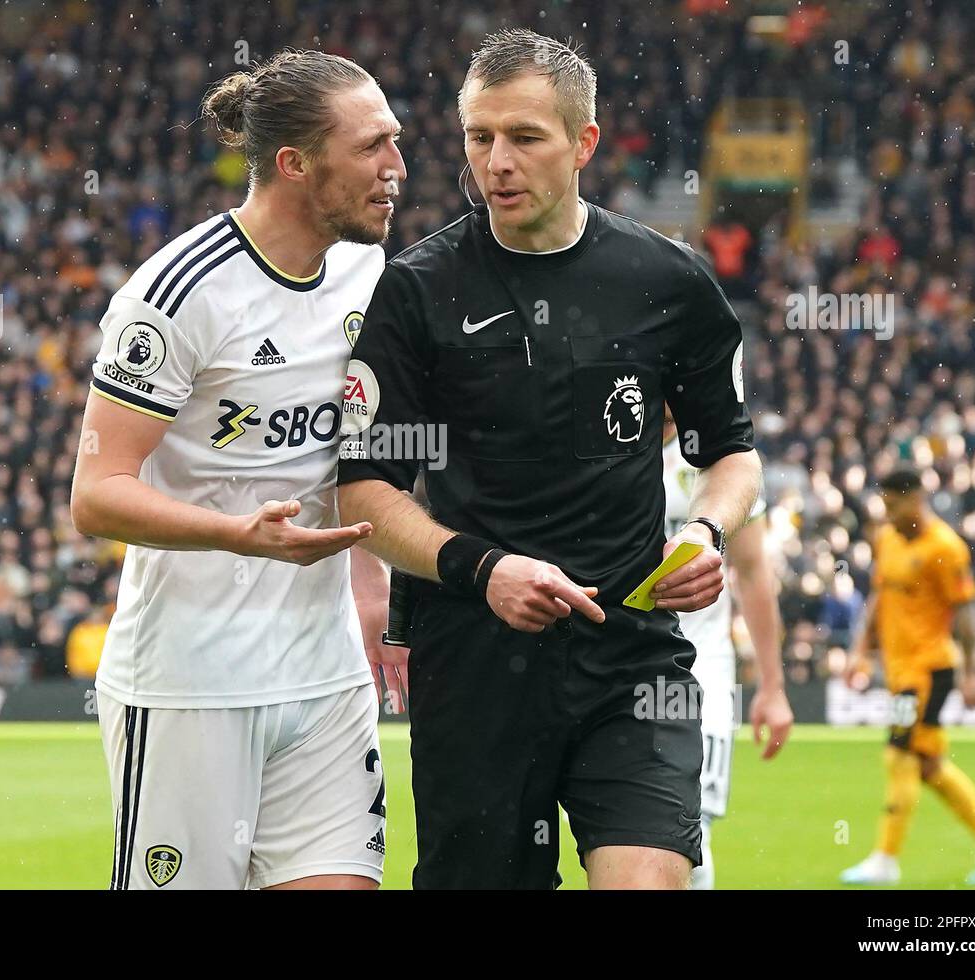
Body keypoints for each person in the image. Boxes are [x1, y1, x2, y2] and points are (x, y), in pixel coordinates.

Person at [337, 29, 762, 889]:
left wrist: (708, 530)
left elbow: (734, 456)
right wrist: (481, 568)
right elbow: (365, 491)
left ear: (584, 143)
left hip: (633, 655)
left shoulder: (667, 282)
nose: (497, 161)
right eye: (478, 137)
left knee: (650, 880)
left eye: (525, 137)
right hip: (474, 663)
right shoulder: (417, 290)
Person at [70, 49, 408, 890]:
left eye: (394, 141)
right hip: (191, 682)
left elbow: (349, 453)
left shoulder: (370, 270)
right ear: (295, 163)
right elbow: (96, 495)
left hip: (325, 676)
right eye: (371, 147)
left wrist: (369, 591)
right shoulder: (178, 294)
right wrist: (237, 536)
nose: (396, 168)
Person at [842, 466, 975, 886]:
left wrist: (974, 672)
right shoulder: (887, 540)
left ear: (916, 499)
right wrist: (858, 652)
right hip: (901, 670)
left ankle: (885, 859)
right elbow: (878, 599)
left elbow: (966, 613)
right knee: (927, 764)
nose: (887, 515)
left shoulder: (946, 547)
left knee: (899, 754)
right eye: (883, 506)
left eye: (893, 506)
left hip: (928, 671)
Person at [662, 406, 793, 889]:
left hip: (701, 667)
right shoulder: (600, 448)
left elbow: (755, 570)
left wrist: (773, 687)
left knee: (691, 828)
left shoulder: (717, 456)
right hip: (613, 659)